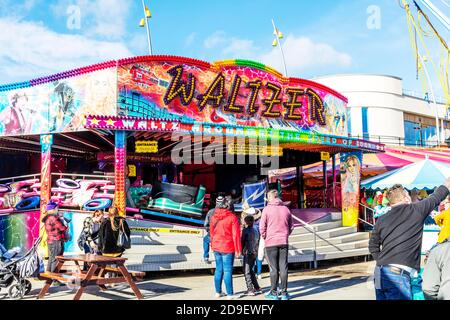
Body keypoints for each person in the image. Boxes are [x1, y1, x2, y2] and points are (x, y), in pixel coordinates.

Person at [369, 180, 450, 300]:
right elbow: (437, 196)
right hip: (398, 275)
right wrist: (448, 182)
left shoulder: (382, 219)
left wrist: (382, 260)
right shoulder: (415, 210)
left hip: (380, 272)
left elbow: (372, 246)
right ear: (406, 198)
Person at [259, 189, 294, 300]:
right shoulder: (286, 209)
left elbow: (261, 227)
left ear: (270, 198)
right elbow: (291, 226)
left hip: (271, 242)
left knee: (273, 268)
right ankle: (284, 293)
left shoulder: (266, 210)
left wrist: (265, 236)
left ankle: (274, 293)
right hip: (283, 241)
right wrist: (285, 235)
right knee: (283, 267)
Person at [210, 196, 242, 299]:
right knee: (227, 271)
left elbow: (211, 233)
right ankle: (230, 294)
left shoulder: (213, 217)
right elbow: (236, 235)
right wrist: (238, 250)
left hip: (216, 246)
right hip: (228, 247)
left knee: (219, 269)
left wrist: (212, 245)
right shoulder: (232, 217)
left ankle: (218, 292)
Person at [42, 201, 67, 273]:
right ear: (53, 209)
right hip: (56, 241)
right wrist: (65, 225)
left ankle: (49, 277)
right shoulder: (53, 218)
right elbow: (62, 228)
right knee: (56, 259)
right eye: (57, 208)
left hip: (50, 241)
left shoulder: (47, 217)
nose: (58, 209)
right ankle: (54, 279)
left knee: (51, 258)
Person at [241, 214, 262, 296]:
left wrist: (241, 250)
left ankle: (250, 289)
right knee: (251, 271)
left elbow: (242, 242)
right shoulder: (256, 229)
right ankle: (257, 287)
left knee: (246, 271)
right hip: (254, 252)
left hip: (248, 252)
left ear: (246, 222)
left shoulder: (245, 230)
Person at [203, 195, 224, 264]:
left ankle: (206, 257)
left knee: (205, 240)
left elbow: (205, 224)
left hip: (212, 234)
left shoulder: (210, 212)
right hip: (222, 235)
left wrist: (209, 230)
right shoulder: (226, 213)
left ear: (216, 202)